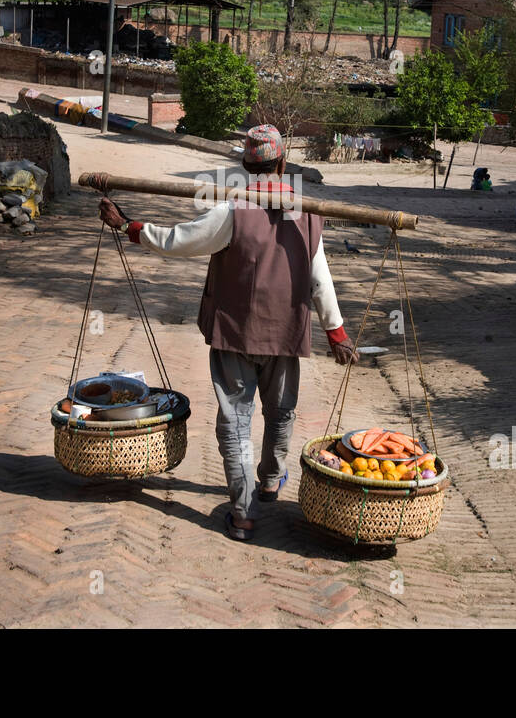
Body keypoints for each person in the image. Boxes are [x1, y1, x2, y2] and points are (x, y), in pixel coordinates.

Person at [97, 124, 357, 542]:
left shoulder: (233, 211)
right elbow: (319, 278)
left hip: (235, 332)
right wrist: (336, 332)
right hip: (285, 332)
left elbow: (179, 240)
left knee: (235, 423)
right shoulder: (304, 212)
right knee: (281, 411)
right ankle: (270, 479)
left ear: (245, 168)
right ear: (284, 164)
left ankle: (243, 514)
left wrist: (130, 226)